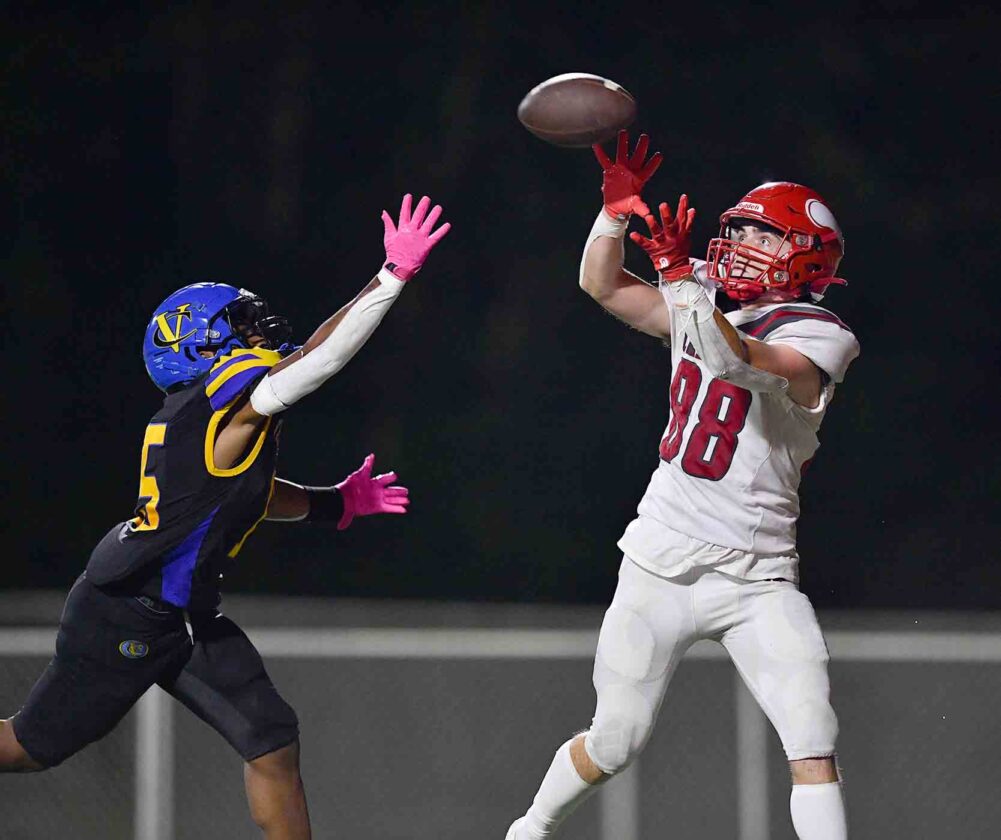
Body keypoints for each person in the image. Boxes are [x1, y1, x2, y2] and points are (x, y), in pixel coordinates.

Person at [0, 193, 450, 840]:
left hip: (187, 618)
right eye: (241, 326)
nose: (260, 332)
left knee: (271, 740)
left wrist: (335, 503)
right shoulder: (222, 411)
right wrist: (390, 278)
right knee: (26, 747)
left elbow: (248, 497)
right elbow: (317, 363)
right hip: (126, 613)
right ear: (201, 349)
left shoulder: (214, 430)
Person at [506, 132, 859, 840]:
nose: (743, 243)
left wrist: (675, 271)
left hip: (758, 577)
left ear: (805, 257)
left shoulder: (820, 335)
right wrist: (612, 215)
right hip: (660, 560)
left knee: (811, 735)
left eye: (764, 233)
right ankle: (529, 830)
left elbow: (733, 360)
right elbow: (602, 284)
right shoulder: (703, 290)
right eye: (743, 229)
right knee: (613, 741)